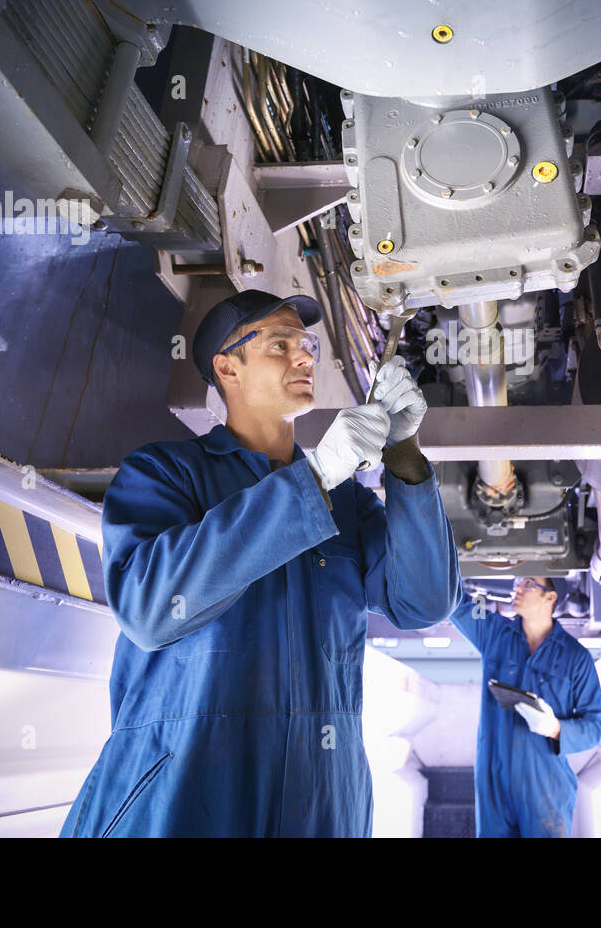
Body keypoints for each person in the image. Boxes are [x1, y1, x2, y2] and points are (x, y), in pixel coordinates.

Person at [61, 289, 461, 837]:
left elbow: (423, 603)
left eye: (307, 345)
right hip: (184, 800)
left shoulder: (347, 501)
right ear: (227, 367)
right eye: (281, 344)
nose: (304, 357)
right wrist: (316, 478)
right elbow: (150, 608)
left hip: (322, 802)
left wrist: (406, 455)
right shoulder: (165, 473)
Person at [449, 575, 601, 837]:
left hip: (544, 786)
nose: (517, 588)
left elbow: (594, 725)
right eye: (518, 582)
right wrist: (473, 584)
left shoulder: (575, 657)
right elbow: (465, 607)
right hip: (493, 783)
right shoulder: (493, 632)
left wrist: (556, 728)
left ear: (551, 597)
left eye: (529, 583)